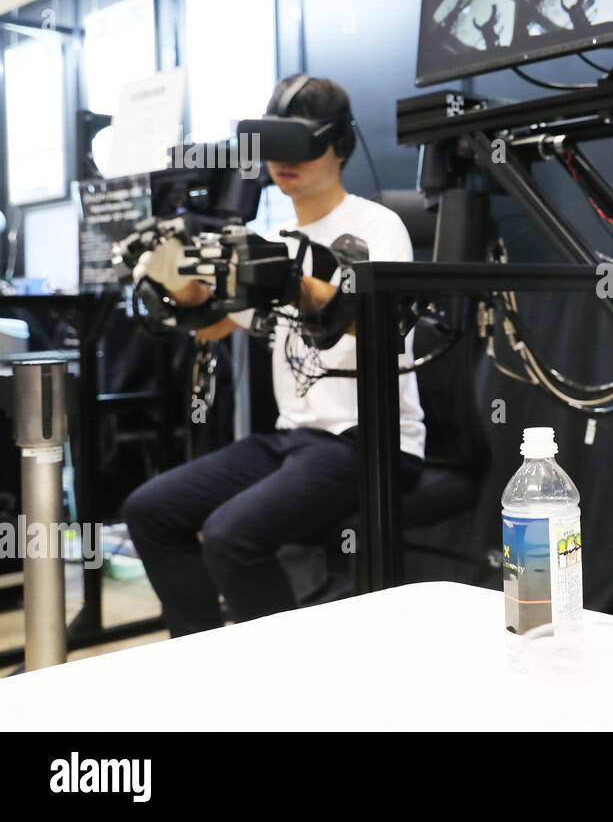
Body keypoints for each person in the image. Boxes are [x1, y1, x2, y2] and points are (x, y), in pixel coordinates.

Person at [123, 76, 426, 636]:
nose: (283, 163)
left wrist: (293, 284)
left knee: (230, 535)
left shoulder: (377, 226)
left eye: (299, 147)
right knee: (151, 510)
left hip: (372, 439)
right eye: (273, 149)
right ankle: (204, 656)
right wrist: (178, 282)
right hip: (294, 439)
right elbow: (211, 328)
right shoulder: (276, 237)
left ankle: (285, 683)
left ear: (340, 146)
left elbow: (379, 324)